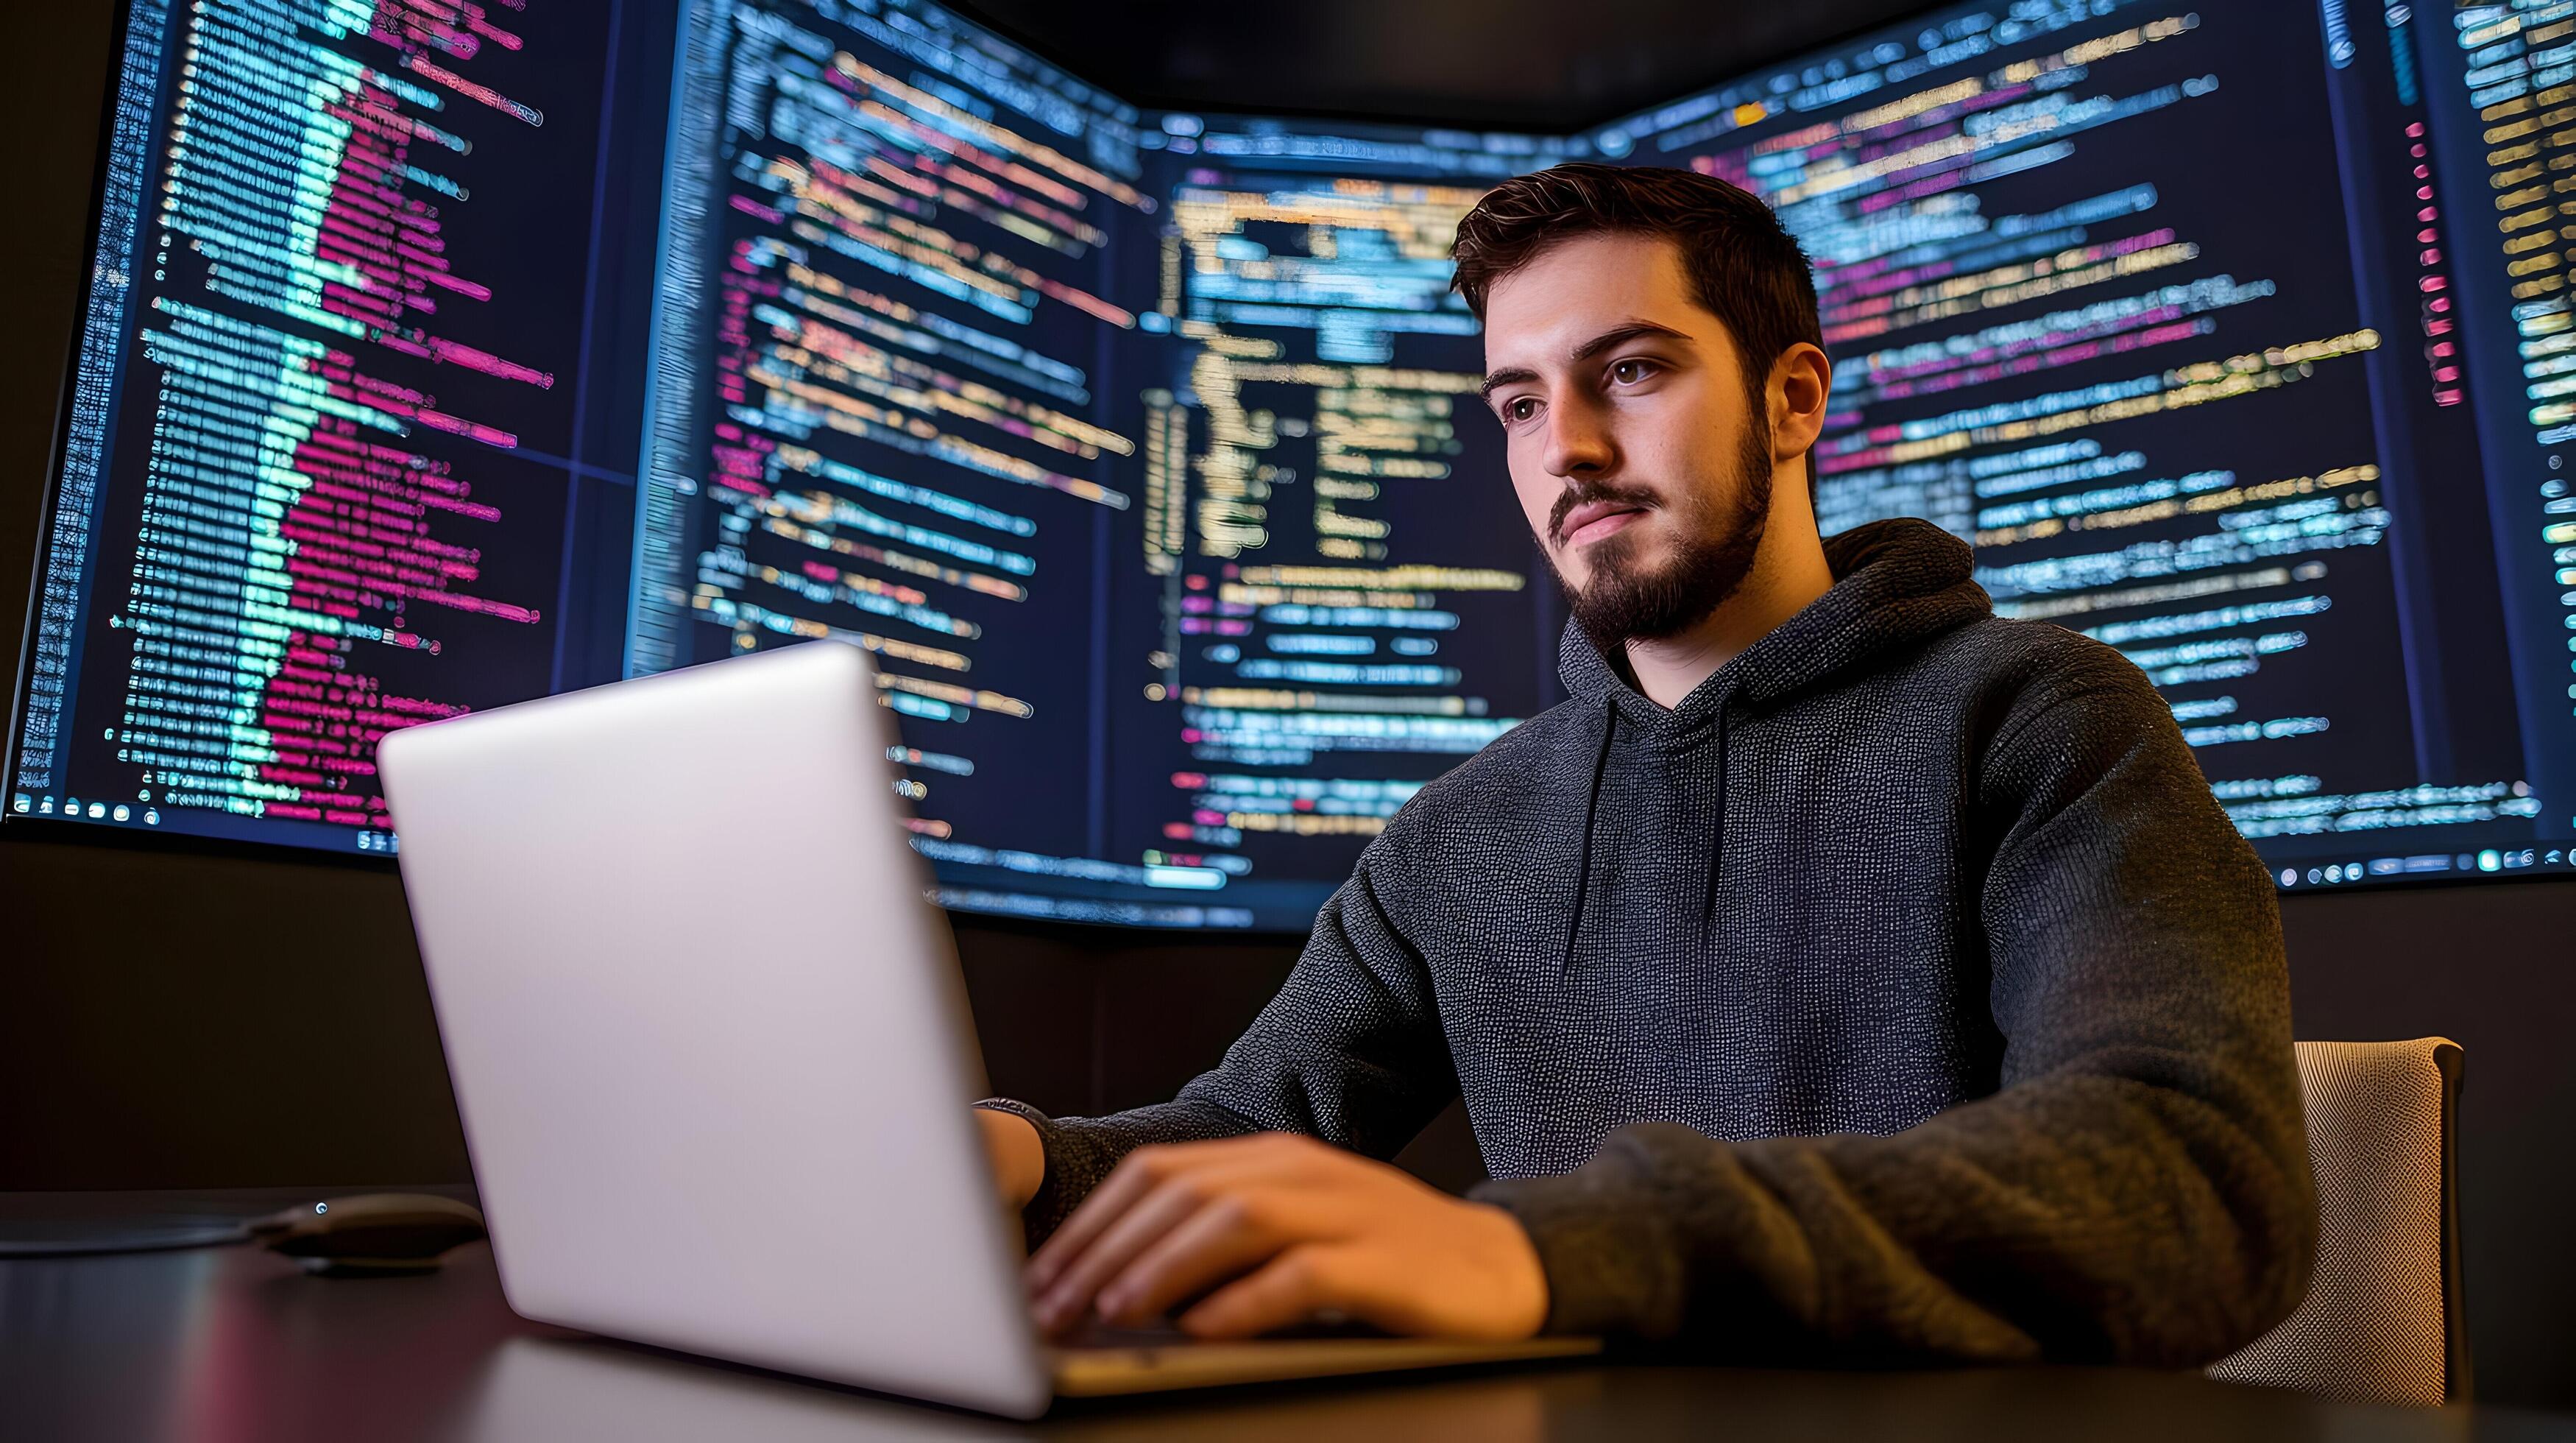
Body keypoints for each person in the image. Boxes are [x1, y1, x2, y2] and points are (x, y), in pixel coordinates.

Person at [974, 163, 2315, 1363]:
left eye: (1629, 371)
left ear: (1791, 400)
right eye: (1520, 402)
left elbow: (2190, 1182)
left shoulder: (2036, 718)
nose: (1567, 447)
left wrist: (1554, 1254)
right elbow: (1248, 1137)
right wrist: (1019, 1162)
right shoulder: (1461, 834)